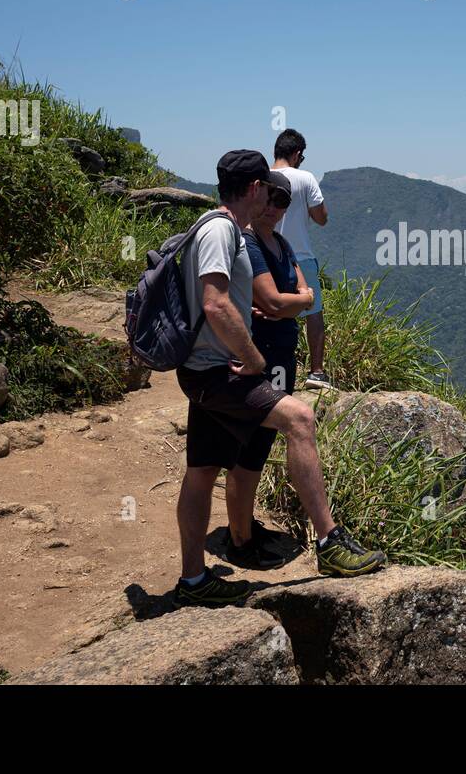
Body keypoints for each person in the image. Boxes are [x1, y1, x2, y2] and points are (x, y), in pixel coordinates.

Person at [173, 150, 386, 607]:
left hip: (206, 370)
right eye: (267, 191)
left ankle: (193, 580)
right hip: (219, 370)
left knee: (202, 470)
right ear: (254, 189)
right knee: (300, 419)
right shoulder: (221, 230)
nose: (271, 200)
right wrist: (251, 358)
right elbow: (214, 303)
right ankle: (329, 543)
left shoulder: (223, 229)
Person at [224, 170, 314, 570]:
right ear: (259, 197)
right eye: (272, 199)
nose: (277, 209)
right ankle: (239, 539)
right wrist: (292, 301)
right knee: (249, 449)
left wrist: (292, 301)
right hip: (259, 354)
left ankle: (243, 526)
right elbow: (276, 302)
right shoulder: (249, 244)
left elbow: (302, 297)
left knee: (261, 447)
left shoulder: (282, 243)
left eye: (285, 202)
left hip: (283, 353)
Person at [271, 128, 331, 389]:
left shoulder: (262, 177)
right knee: (313, 312)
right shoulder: (305, 179)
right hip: (301, 257)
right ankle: (316, 373)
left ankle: (268, 371)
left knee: (267, 309)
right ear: (296, 154)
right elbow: (322, 218)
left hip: (265, 254)